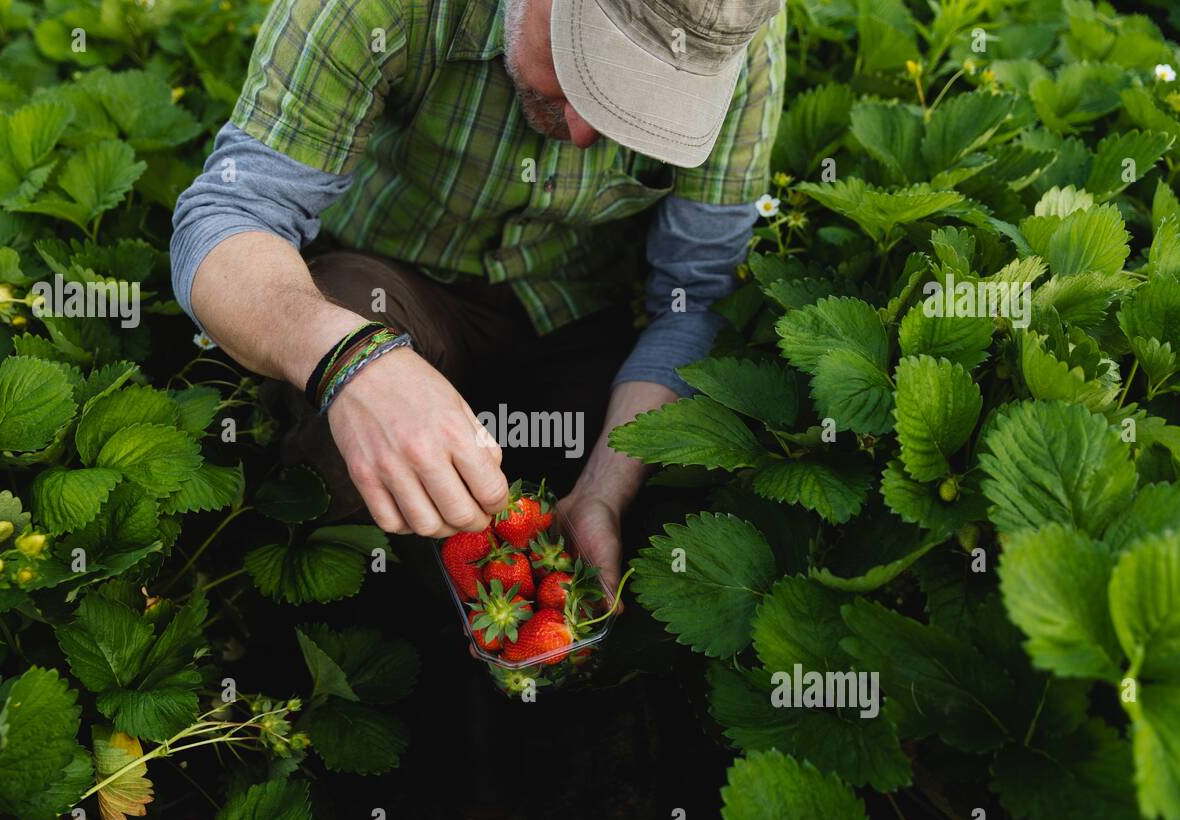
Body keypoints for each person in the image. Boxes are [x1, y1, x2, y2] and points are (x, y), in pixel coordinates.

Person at [171, 0, 786, 593]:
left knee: (634, 519)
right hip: (391, 282)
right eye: (583, 70)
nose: (582, 133)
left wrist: (604, 488)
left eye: (642, 107)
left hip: (571, 312)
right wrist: (351, 360)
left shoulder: (729, 33)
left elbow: (693, 294)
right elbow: (228, 215)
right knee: (347, 430)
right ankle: (347, 623)